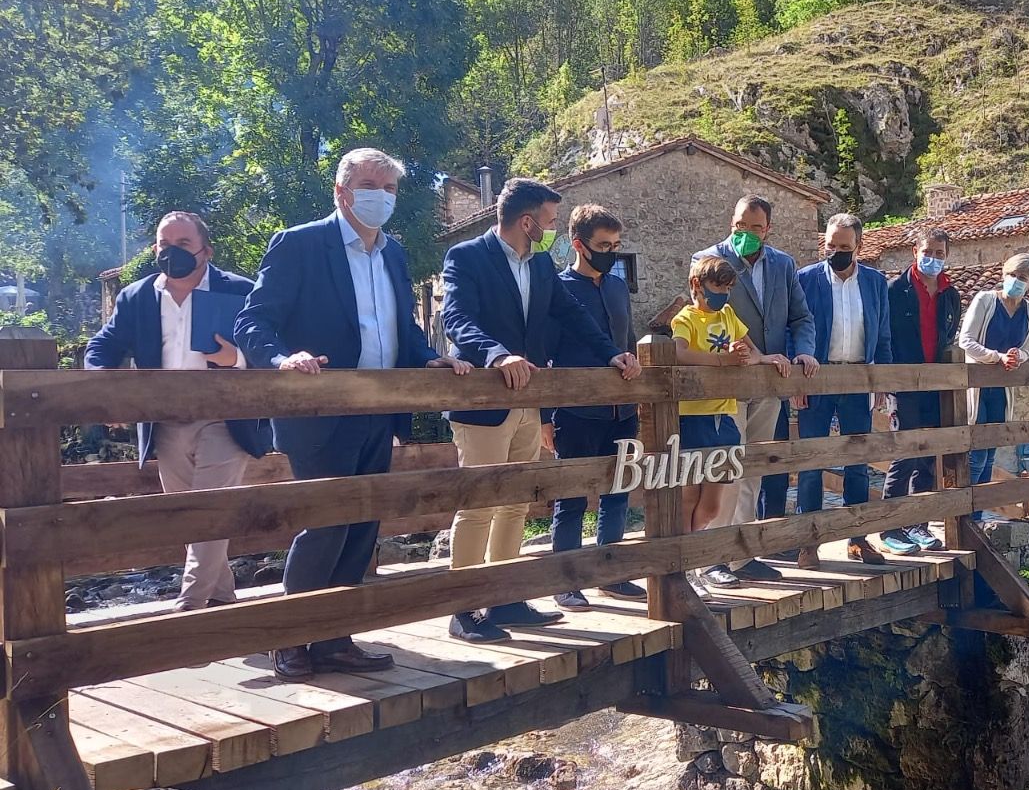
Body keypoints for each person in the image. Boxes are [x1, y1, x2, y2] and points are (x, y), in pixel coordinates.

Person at [235, 147, 473, 681]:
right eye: (370, 185)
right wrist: (281, 358)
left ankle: (334, 637)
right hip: (319, 410)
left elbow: (399, 329)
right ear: (342, 192)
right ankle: (291, 639)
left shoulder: (393, 254)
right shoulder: (299, 244)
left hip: (378, 411)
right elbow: (253, 321)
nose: (381, 197)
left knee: (363, 525)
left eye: (390, 188)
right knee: (324, 523)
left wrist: (428, 356)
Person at [439, 182, 641, 642]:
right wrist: (496, 355)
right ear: (527, 221)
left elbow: (571, 314)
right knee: (478, 505)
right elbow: (456, 319)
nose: (552, 228)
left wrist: (612, 354)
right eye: (550, 221)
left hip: (527, 400)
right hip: (483, 402)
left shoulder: (541, 263)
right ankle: (464, 608)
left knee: (513, 504)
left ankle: (506, 597)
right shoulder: (466, 256)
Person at [85, 211, 271, 611]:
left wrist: (234, 357)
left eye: (182, 244)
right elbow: (102, 347)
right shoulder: (136, 296)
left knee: (208, 512)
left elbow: (269, 350)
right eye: (163, 244)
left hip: (225, 418)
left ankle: (188, 610)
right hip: (165, 422)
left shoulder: (241, 290)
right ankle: (222, 603)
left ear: (206, 250)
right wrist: (105, 388)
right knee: (192, 516)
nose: (171, 252)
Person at [692, 196, 817, 582]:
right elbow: (704, 316)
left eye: (753, 228)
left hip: (769, 383)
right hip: (725, 384)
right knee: (725, 469)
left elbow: (801, 317)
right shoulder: (707, 260)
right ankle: (712, 558)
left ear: (768, 230)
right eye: (739, 226)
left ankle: (741, 555)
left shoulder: (783, 264)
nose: (744, 233)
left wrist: (805, 355)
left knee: (753, 469)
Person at [545, 204, 649, 612]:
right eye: (604, 245)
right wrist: (543, 418)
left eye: (617, 245)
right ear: (578, 245)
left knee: (619, 492)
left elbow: (629, 338)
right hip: (575, 412)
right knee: (572, 499)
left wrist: (637, 366)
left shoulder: (618, 287)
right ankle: (565, 580)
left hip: (621, 410)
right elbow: (546, 354)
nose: (611, 252)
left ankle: (612, 574)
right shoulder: (559, 290)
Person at [671, 256, 792, 590]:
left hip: (723, 418)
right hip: (693, 415)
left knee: (712, 504)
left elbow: (751, 349)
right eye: (716, 288)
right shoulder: (686, 318)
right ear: (697, 285)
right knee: (688, 498)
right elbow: (678, 353)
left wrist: (763, 359)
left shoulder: (728, 315)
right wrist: (721, 361)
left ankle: (694, 558)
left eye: (727, 289)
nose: (722, 295)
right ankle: (686, 568)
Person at [792, 214, 894, 568]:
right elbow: (795, 332)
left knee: (858, 463)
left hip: (857, 381)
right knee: (811, 463)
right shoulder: (804, 279)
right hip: (815, 377)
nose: (834, 252)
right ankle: (809, 542)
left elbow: (882, 335)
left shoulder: (876, 282)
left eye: (843, 247)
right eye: (830, 245)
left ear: (859, 247)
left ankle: (857, 539)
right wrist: (796, 383)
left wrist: (880, 381)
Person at [882, 229, 963, 549]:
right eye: (928, 251)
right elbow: (884, 336)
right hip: (903, 384)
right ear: (915, 252)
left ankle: (919, 524)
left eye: (940, 254)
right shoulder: (894, 291)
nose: (934, 258)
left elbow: (949, 337)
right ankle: (892, 528)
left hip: (937, 385)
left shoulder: (950, 294)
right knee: (905, 452)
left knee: (930, 454)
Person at [960, 253, 1029, 514]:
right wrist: (997, 357)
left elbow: (1027, 349)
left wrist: (1018, 357)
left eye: (1023, 278)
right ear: (1004, 275)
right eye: (1013, 275)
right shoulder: (985, 300)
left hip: (1002, 388)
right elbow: (966, 341)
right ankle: (966, 515)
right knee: (976, 454)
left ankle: (979, 512)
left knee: (990, 453)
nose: (1016, 281)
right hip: (976, 384)